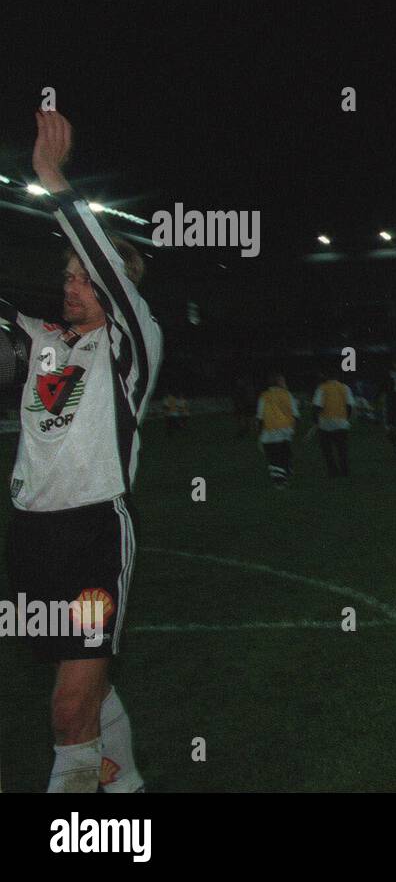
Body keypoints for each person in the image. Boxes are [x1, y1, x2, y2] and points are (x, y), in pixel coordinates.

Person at [1, 109, 162, 792]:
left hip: (94, 533)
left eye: (83, 278)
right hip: (31, 535)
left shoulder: (131, 346)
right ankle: (124, 793)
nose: (70, 285)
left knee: (68, 712)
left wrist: (51, 179)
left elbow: (104, 264)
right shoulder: (37, 340)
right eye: (66, 276)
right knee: (87, 697)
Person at [257, 372, 298, 488]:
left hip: (270, 431)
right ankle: (286, 471)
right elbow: (295, 415)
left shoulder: (264, 396)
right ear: (279, 382)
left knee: (274, 457)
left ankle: (280, 480)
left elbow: (260, 417)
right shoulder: (287, 395)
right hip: (286, 430)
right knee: (284, 453)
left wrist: (259, 433)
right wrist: (293, 429)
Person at [312, 369, 354, 476]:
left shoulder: (321, 388)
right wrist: (346, 418)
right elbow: (349, 405)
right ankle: (345, 471)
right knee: (342, 449)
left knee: (327, 450)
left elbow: (317, 406)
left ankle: (332, 470)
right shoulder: (345, 388)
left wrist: (316, 421)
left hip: (325, 424)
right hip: (341, 423)